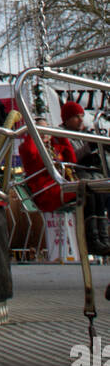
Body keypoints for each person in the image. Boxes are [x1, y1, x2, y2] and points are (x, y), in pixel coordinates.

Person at [59, 100, 110, 255]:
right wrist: (89, 148)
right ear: (67, 119)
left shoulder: (84, 133)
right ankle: (92, 238)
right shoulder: (62, 135)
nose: (81, 120)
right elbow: (69, 157)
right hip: (75, 175)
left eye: (81, 116)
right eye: (76, 117)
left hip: (91, 172)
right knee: (91, 188)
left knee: (101, 186)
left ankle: (103, 236)